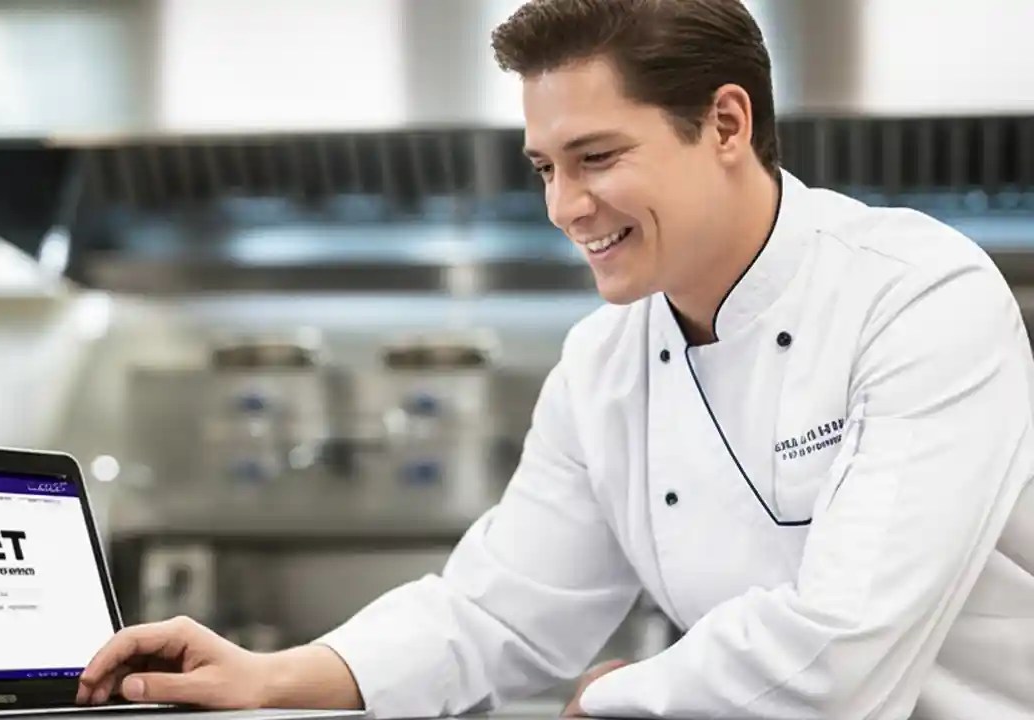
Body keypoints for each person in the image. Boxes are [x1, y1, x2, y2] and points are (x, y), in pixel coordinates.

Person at [78, 0, 1034, 717]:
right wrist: (265, 675)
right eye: (546, 167)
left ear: (728, 125)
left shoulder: (916, 297)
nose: (564, 207)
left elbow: (843, 649)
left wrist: (619, 695)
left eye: (598, 157)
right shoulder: (605, 363)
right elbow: (497, 614)